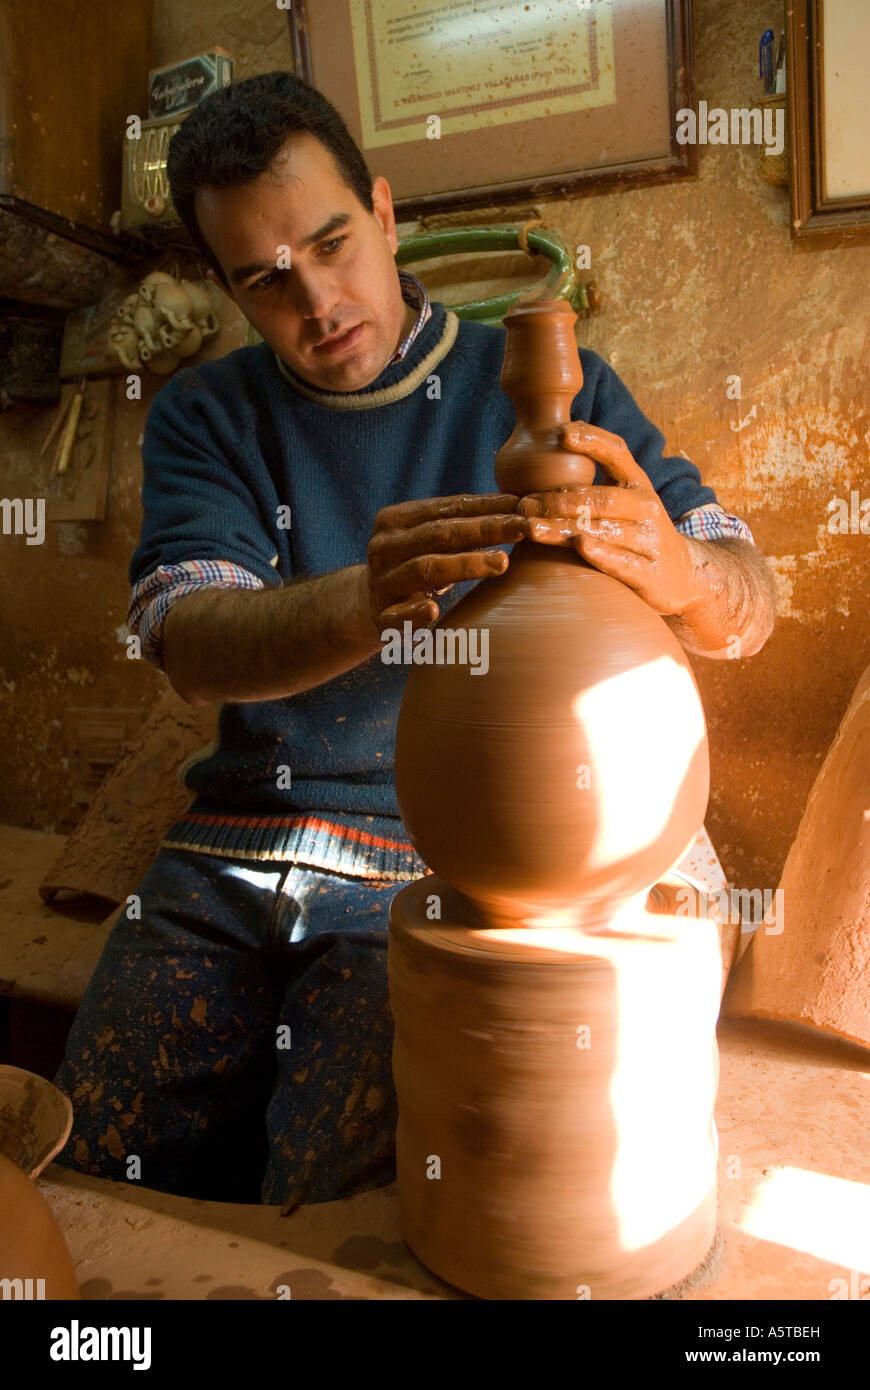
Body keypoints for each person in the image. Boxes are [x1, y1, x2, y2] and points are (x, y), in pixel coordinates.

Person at [53, 71, 776, 1206]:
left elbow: (748, 599)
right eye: (266, 279)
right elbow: (186, 640)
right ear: (232, 290)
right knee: (89, 1157)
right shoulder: (208, 415)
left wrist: (685, 570)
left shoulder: (549, 394)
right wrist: (362, 598)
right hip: (242, 840)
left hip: (447, 859)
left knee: (336, 1190)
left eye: (335, 242)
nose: (318, 298)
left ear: (386, 215)